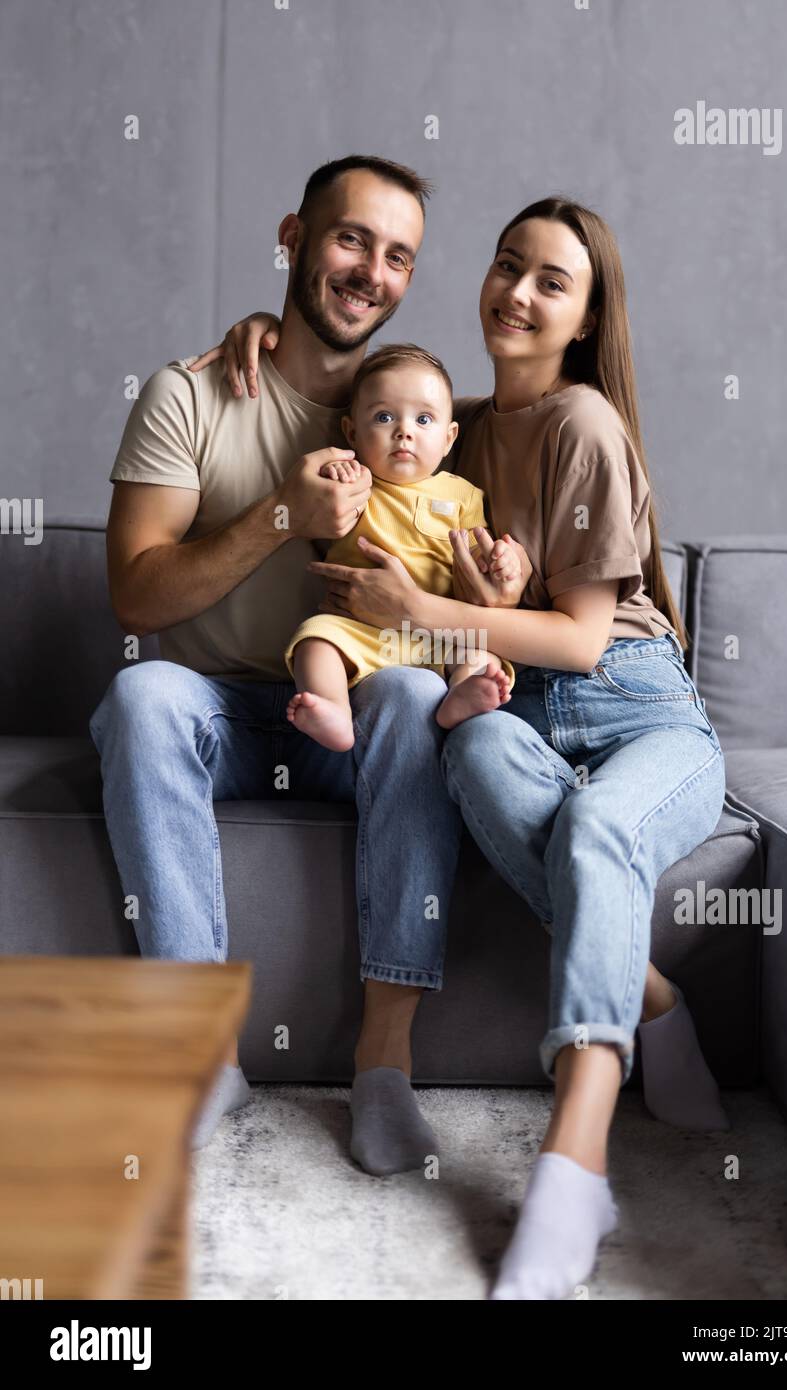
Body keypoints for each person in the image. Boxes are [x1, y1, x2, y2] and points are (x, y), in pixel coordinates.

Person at [216, 194, 728, 1300]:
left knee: (597, 826)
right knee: (465, 753)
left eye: (552, 281)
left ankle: (572, 1167)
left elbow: (587, 639)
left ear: (587, 319)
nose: (518, 293)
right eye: (507, 266)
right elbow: (368, 410)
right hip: (517, 713)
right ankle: (654, 997)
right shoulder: (462, 426)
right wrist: (262, 337)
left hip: (639, 711)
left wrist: (421, 607)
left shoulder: (585, 419)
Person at [89, 154, 525, 1169]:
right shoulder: (191, 393)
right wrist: (283, 516)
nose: (371, 269)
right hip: (227, 714)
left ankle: (383, 1068)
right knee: (141, 693)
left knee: (416, 689)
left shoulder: (413, 416)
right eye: (349, 238)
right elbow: (136, 595)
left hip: (359, 720)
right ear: (293, 236)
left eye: (398, 254)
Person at [284, 341, 517, 751]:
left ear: (449, 438)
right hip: (363, 630)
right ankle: (334, 710)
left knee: (482, 649)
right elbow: (313, 509)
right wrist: (334, 472)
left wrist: (499, 560)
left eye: (423, 419)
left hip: (436, 633)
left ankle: (461, 694)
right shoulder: (355, 481)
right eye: (384, 416)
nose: (404, 431)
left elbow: (478, 561)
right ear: (352, 431)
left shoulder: (463, 495)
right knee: (314, 640)